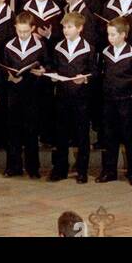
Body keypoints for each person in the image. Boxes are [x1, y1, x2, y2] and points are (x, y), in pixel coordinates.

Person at [49, 10, 94, 184]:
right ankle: (60, 168)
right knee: (61, 134)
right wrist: (53, 75)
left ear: (80, 28)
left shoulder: (88, 48)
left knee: (82, 135)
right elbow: (54, 66)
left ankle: (82, 170)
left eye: (69, 27)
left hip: (80, 97)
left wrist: (85, 78)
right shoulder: (59, 47)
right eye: (64, 27)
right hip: (62, 96)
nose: (66, 30)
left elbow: (94, 71)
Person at [98, 16, 132, 186]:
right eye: (109, 35)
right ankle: (109, 171)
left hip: (126, 101)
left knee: (130, 138)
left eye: (114, 35)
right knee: (109, 137)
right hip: (109, 101)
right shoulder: (105, 53)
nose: (110, 38)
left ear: (123, 35)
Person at [2, 11, 45, 179]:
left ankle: (33, 168)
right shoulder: (8, 46)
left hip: (33, 94)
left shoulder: (40, 46)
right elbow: (3, 67)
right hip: (14, 93)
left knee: (31, 132)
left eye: (26, 31)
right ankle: (13, 166)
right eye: (19, 31)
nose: (22, 34)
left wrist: (42, 70)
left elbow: (47, 64)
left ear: (32, 28)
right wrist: (9, 75)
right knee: (12, 131)